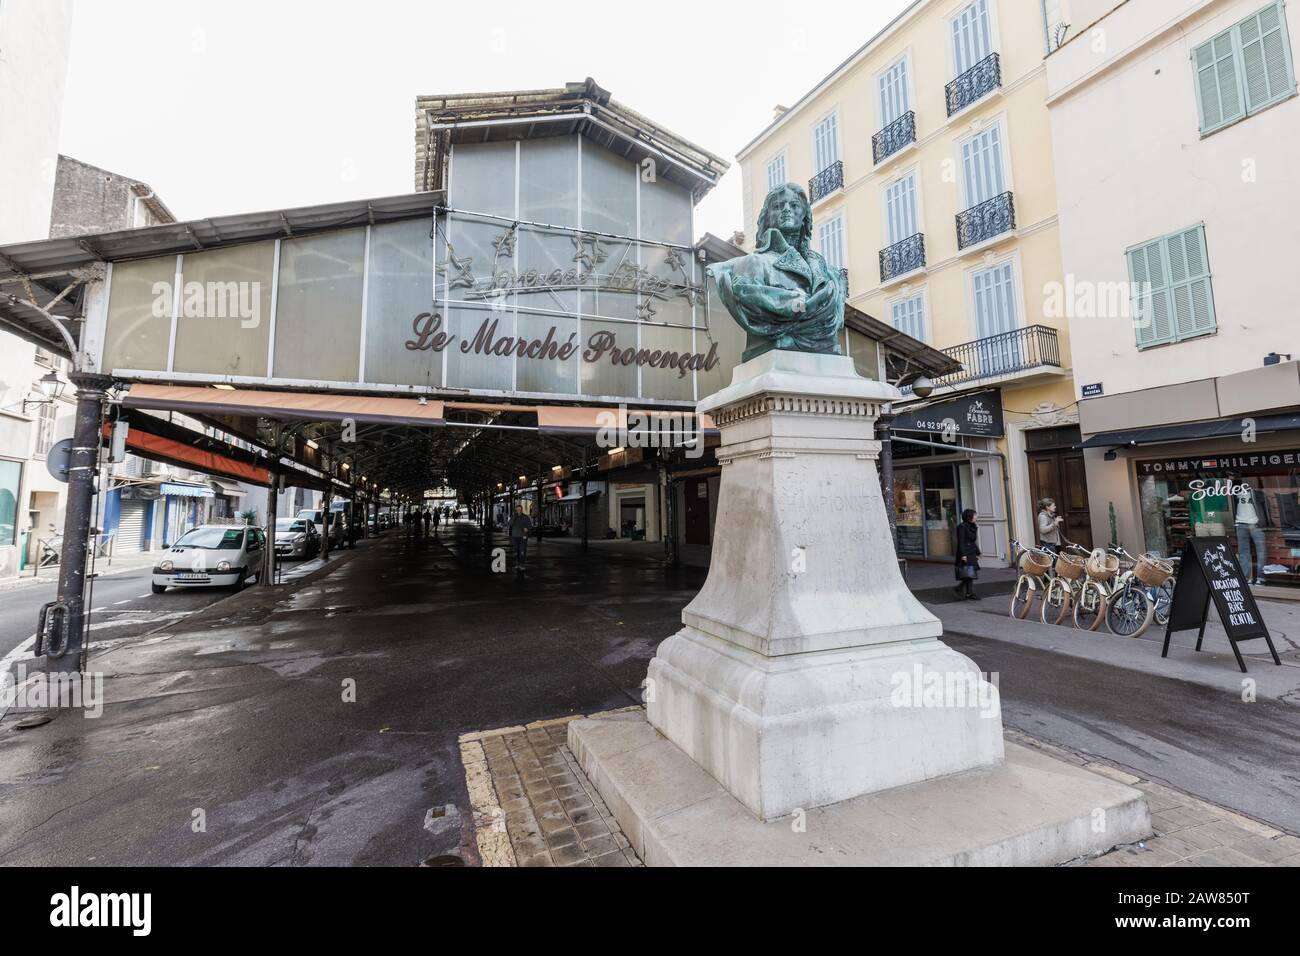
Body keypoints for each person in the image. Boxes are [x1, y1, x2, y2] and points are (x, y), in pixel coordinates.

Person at [954, 509, 981, 600]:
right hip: (965, 552)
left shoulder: (973, 526)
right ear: (969, 517)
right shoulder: (961, 527)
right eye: (975, 515)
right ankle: (961, 589)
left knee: (971, 573)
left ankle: (967, 592)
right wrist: (963, 555)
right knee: (968, 572)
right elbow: (961, 542)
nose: (976, 517)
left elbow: (972, 541)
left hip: (972, 552)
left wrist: (977, 552)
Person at [509, 506, 533, 571]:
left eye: (520, 509)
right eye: (517, 510)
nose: (518, 511)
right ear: (516, 510)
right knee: (516, 551)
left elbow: (530, 526)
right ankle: (517, 564)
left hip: (523, 537)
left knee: (522, 551)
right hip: (515, 537)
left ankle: (521, 564)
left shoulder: (526, 517)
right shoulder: (513, 517)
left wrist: (527, 529)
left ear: (522, 510)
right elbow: (510, 524)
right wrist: (514, 516)